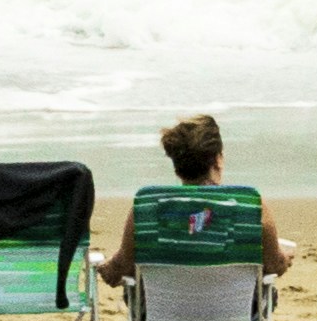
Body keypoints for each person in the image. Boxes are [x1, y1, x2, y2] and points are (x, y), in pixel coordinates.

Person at [101, 113, 287, 292]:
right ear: (218, 160)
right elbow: (275, 266)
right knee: (265, 289)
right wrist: (285, 258)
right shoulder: (250, 205)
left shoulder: (148, 207)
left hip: (161, 312)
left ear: (177, 166)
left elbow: (122, 267)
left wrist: (107, 268)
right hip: (236, 311)